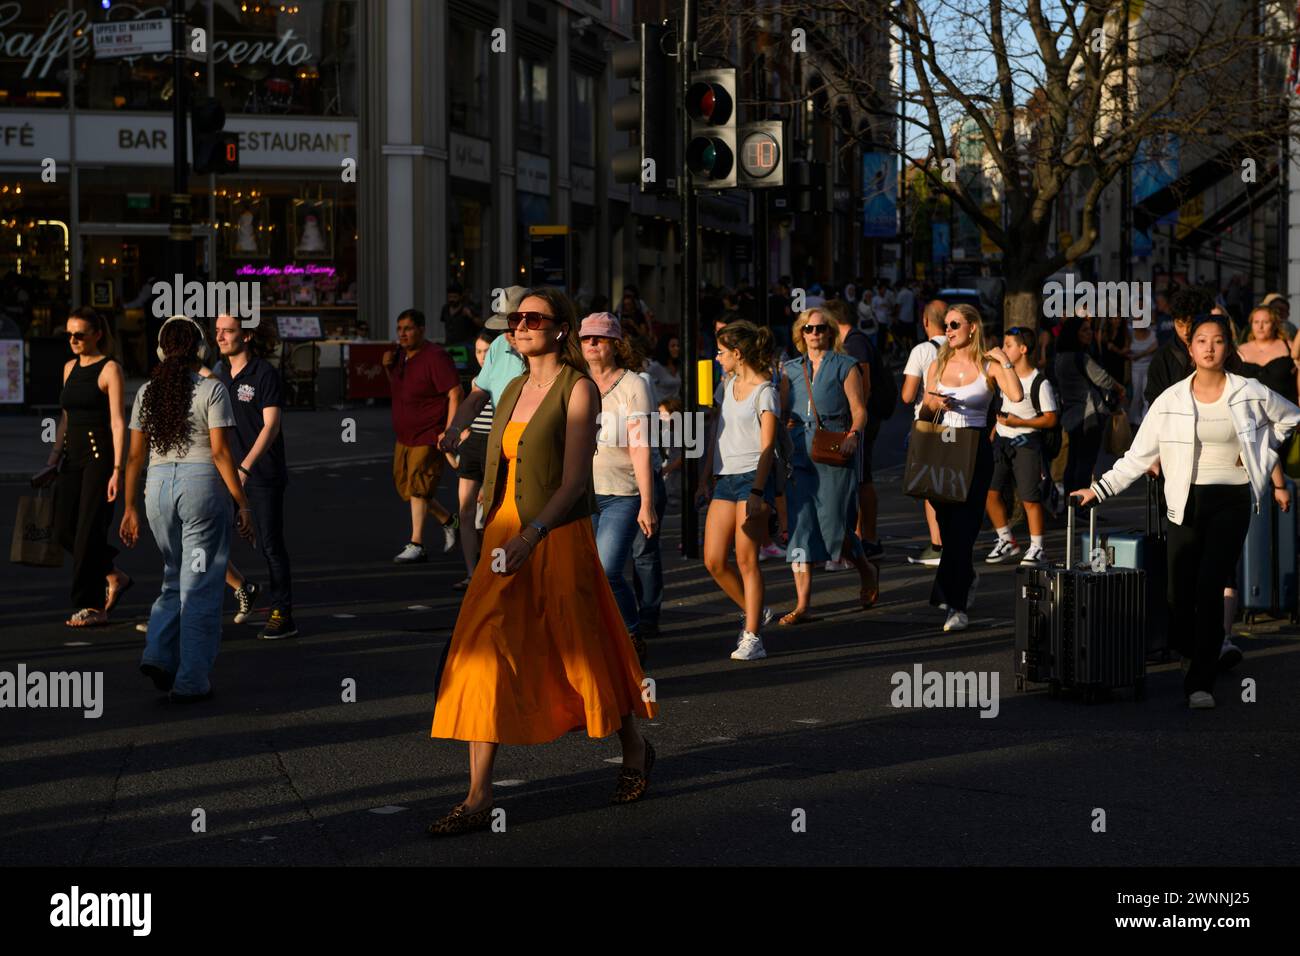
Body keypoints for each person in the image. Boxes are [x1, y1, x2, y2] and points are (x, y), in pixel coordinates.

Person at [428, 288, 656, 836]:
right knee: (481, 647)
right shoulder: (509, 387)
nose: (520, 325)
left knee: (583, 647)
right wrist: (460, 445)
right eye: (516, 319)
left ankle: (633, 746)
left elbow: (576, 479)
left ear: (560, 330)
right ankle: (479, 795)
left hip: (556, 534)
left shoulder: (577, 390)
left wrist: (533, 535)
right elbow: (495, 461)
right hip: (505, 532)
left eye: (533, 318)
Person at [1073, 314, 1300, 709]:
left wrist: (1261, 459)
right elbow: (1138, 454)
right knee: (1179, 593)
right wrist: (1099, 489)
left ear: (1228, 347)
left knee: (1210, 586)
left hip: (1231, 500)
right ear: (1190, 348)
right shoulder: (1172, 398)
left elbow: (1290, 418)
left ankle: (1201, 682)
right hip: (1183, 501)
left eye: (1217, 341)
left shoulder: (1249, 390)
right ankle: (1189, 648)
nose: (1209, 347)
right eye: (1201, 341)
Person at [119, 316, 256, 703]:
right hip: (201, 488)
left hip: (157, 488)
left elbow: (133, 457)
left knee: (173, 577)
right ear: (201, 349)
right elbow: (220, 452)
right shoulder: (212, 390)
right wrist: (243, 505)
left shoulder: (147, 392)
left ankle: (159, 654)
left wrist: (129, 507)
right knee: (201, 586)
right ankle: (192, 680)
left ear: (161, 350)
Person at [918, 304, 1023, 632]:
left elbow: (1017, 394)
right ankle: (965, 579)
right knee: (948, 531)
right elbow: (923, 411)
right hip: (942, 447)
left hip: (976, 448)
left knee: (964, 529)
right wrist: (934, 404)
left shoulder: (988, 365)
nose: (947, 330)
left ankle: (956, 606)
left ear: (972, 327)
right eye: (946, 325)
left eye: (954, 324)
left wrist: (1004, 360)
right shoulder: (937, 364)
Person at [777, 309, 878, 625]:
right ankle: (803, 604)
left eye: (821, 328)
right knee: (800, 527)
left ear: (830, 332)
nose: (815, 333)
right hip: (799, 452)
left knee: (836, 526)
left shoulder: (846, 366)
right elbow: (780, 412)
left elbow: (860, 411)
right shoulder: (789, 369)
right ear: (801, 333)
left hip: (834, 449)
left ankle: (866, 570)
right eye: (809, 328)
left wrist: (853, 436)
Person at [697, 320, 779, 661]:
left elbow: (768, 446)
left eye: (720, 352)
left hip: (751, 478)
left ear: (737, 353)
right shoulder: (725, 385)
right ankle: (754, 610)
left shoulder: (765, 391)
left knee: (746, 560)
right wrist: (705, 473)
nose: (716, 358)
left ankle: (752, 637)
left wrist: (758, 492)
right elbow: (716, 431)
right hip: (724, 477)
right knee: (714, 559)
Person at [211, 314, 295, 640]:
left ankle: (282, 614)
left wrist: (245, 467)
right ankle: (232, 593)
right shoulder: (219, 376)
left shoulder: (264, 374)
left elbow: (271, 426)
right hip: (227, 475)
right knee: (206, 543)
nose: (220, 337)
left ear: (246, 335)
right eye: (217, 331)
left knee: (270, 546)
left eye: (228, 331)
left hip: (262, 475)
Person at [582, 312, 657, 657]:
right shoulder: (575, 381)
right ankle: (598, 638)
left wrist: (646, 502)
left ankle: (631, 632)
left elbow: (641, 446)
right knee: (586, 573)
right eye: (586, 338)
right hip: (581, 493)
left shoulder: (634, 385)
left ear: (615, 344)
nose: (592, 344)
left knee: (608, 567)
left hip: (622, 494)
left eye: (599, 338)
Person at [50, 307, 130, 627]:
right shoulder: (69, 368)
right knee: (62, 530)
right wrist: (52, 459)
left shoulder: (110, 369)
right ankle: (114, 575)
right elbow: (66, 418)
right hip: (71, 458)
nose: (73, 340)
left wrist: (118, 470)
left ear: (97, 334)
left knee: (87, 533)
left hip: (100, 459)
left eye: (80, 334)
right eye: (69, 334)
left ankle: (91, 606)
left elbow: (118, 423)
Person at [384, 309, 462, 563]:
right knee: (406, 486)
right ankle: (449, 520)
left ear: (421, 329)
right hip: (404, 435)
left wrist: (450, 431)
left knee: (419, 486)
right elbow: (399, 388)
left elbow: (455, 392)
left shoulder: (435, 356)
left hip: (429, 432)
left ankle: (416, 543)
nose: (402, 334)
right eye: (399, 329)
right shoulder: (399, 356)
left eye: (407, 328)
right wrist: (388, 367)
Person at [984, 327, 1059, 566]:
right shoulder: (1004, 375)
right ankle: (1006, 539)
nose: (1004, 349)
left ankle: (1037, 547)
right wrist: (997, 427)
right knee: (990, 492)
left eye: (1008, 345)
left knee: (1029, 497)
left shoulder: (1039, 382)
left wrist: (1019, 422)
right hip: (1002, 442)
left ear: (1023, 349)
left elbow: (1050, 418)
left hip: (1027, 443)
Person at [826, 299, 886, 562]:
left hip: (860, 421)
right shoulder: (852, 341)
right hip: (858, 420)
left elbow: (865, 382)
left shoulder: (854, 342)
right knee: (858, 477)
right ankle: (862, 537)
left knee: (862, 478)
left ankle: (868, 539)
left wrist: (854, 420)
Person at [1054, 315, 1126, 494]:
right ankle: (1081, 504)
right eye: (1084, 330)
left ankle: (1070, 503)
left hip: (1070, 416)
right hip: (1090, 414)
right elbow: (1104, 379)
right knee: (1086, 462)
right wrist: (1120, 388)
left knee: (1073, 460)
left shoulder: (1059, 358)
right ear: (1074, 334)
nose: (1090, 333)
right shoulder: (1081, 358)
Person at [901, 299, 948, 566]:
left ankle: (937, 546)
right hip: (958, 424)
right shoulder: (958, 348)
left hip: (928, 425)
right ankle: (951, 541)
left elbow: (908, 396)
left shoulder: (921, 350)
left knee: (931, 487)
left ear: (925, 321)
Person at [449, 330, 498, 588]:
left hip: (494, 445)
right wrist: (460, 431)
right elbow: (470, 411)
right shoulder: (477, 379)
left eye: (487, 351)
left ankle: (493, 570)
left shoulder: (507, 377)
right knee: (465, 511)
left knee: (491, 513)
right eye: (478, 351)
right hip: (472, 444)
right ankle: (472, 573)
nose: (482, 356)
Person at [1145, 287, 1215, 407]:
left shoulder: (1219, 350)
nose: (1186, 332)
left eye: (1190, 324)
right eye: (1180, 324)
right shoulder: (1163, 357)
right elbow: (1154, 398)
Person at [1240, 305, 1299, 405]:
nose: (1260, 326)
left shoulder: (1289, 347)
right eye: (1256, 322)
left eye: (1266, 322)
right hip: (1250, 413)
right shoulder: (1239, 351)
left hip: (1285, 412)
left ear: (1275, 324)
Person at [1127, 318, 1159, 425]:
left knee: (1146, 395)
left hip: (1149, 368)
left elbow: (1156, 345)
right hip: (1134, 369)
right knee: (1136, 395)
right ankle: (1133, 421)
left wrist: (1141, 355)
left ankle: (1145, 419)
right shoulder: (1130, 334)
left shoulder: (1153, 334)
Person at [439, 282, 479, 348]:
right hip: (449, 344)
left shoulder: (468, 308)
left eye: (455, 297)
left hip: (465, 345)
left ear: (461, 296)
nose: (452, 299)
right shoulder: (445, 308)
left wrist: (470, 316)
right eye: (450, 297)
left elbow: (480, 324)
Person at [646, 335, 683, 403]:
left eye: (678, 346)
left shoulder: (678, 366)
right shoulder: (655, 367)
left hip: (676, 409)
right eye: (673, 346)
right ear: (665, 347)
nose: (676, 348)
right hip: (661, 410)